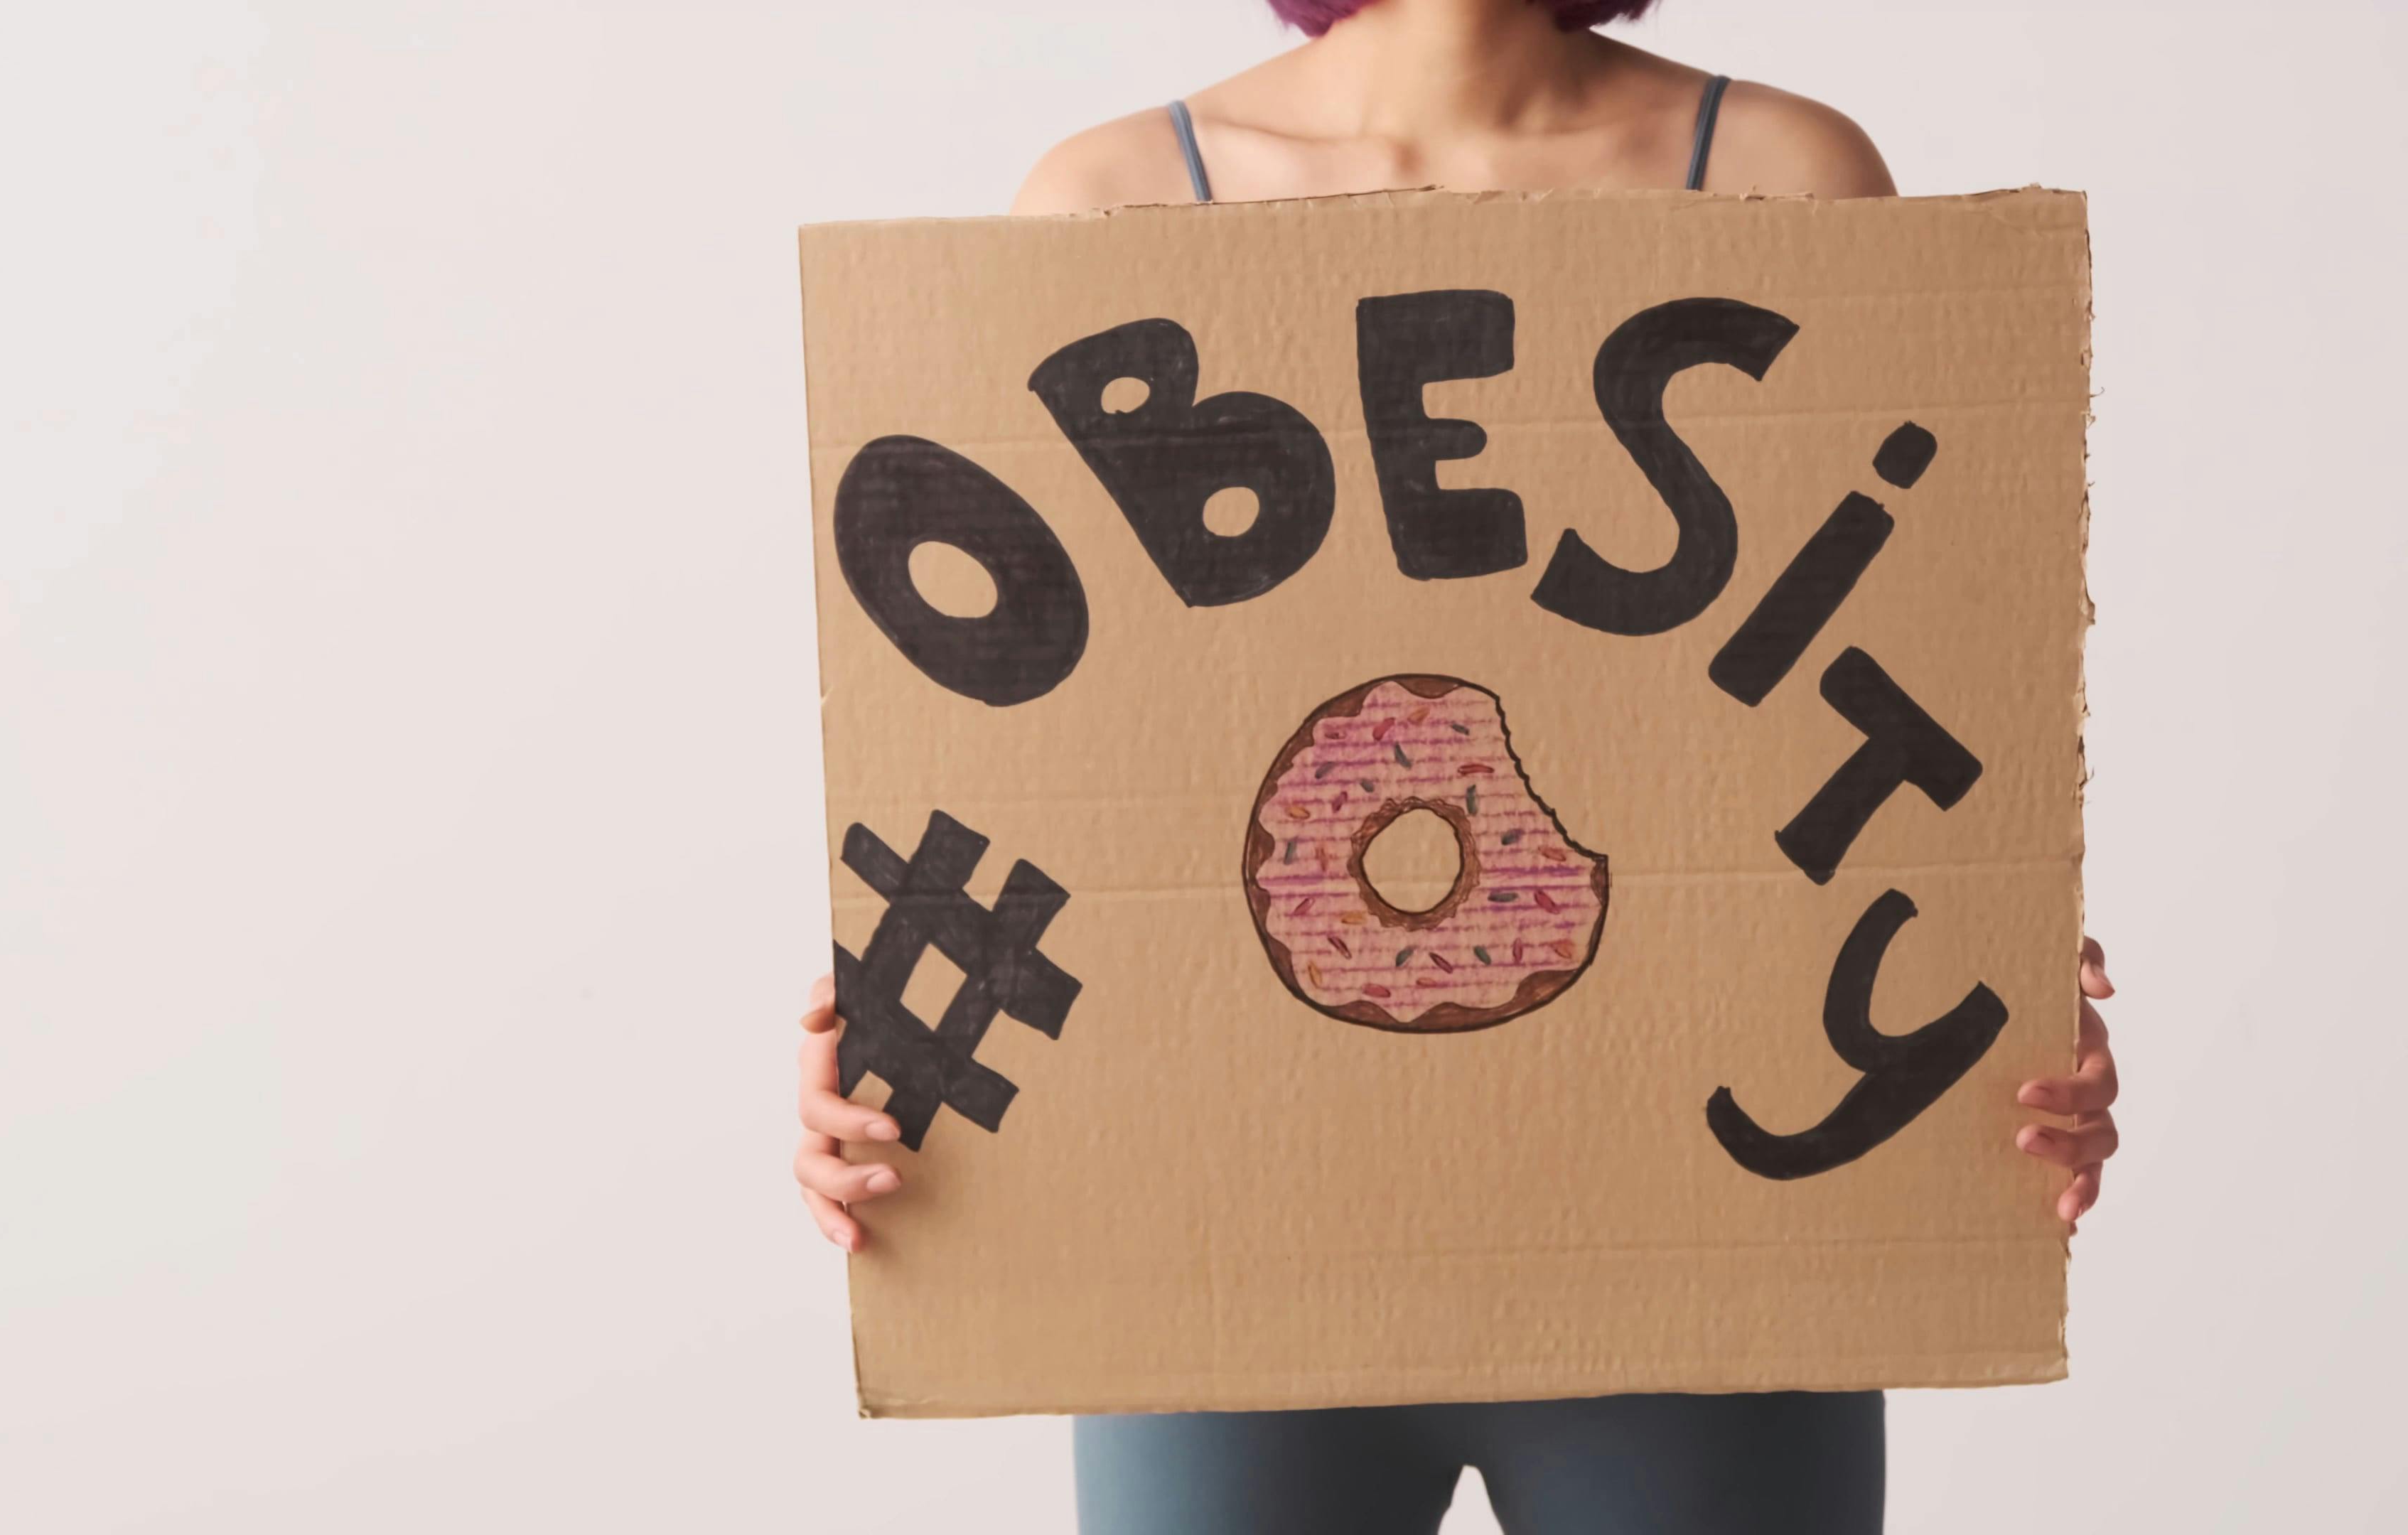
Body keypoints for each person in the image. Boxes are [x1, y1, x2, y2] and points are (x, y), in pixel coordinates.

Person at [792, 2, 2127, 1529]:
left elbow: (1884, 673)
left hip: (1707, 1251)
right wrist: (899, 1064)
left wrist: (1996, 979)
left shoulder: (1787, 173)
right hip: (1228, 1267)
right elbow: (1038, 755)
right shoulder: (1111, 199)